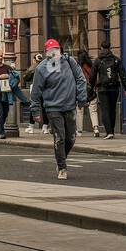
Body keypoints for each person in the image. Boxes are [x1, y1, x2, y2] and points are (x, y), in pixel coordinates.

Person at [29, 38, 88, 180]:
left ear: (60, 50)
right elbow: (36, 92)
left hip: (69, 106)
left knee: (71, 138)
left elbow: (80, 78)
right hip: (53, 108)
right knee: (60, 137)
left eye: (56, 50)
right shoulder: (41, 69)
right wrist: (36, 111)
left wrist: (81, 98)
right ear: (46, 53)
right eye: (51, 51)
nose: (54, 53)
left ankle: (61, 158)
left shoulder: (69, 61)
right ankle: (62, 167)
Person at [90, 44, 126, 140]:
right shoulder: (116, 59)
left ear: (101, 48)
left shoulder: (98, 60)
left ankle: (109, 132)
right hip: (114, 88)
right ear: (110, 48)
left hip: (103, 89)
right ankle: (111, 130)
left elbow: (92, 76)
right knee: (112, 109)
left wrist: (91, 88)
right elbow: (122, 74)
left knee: (105, 110)